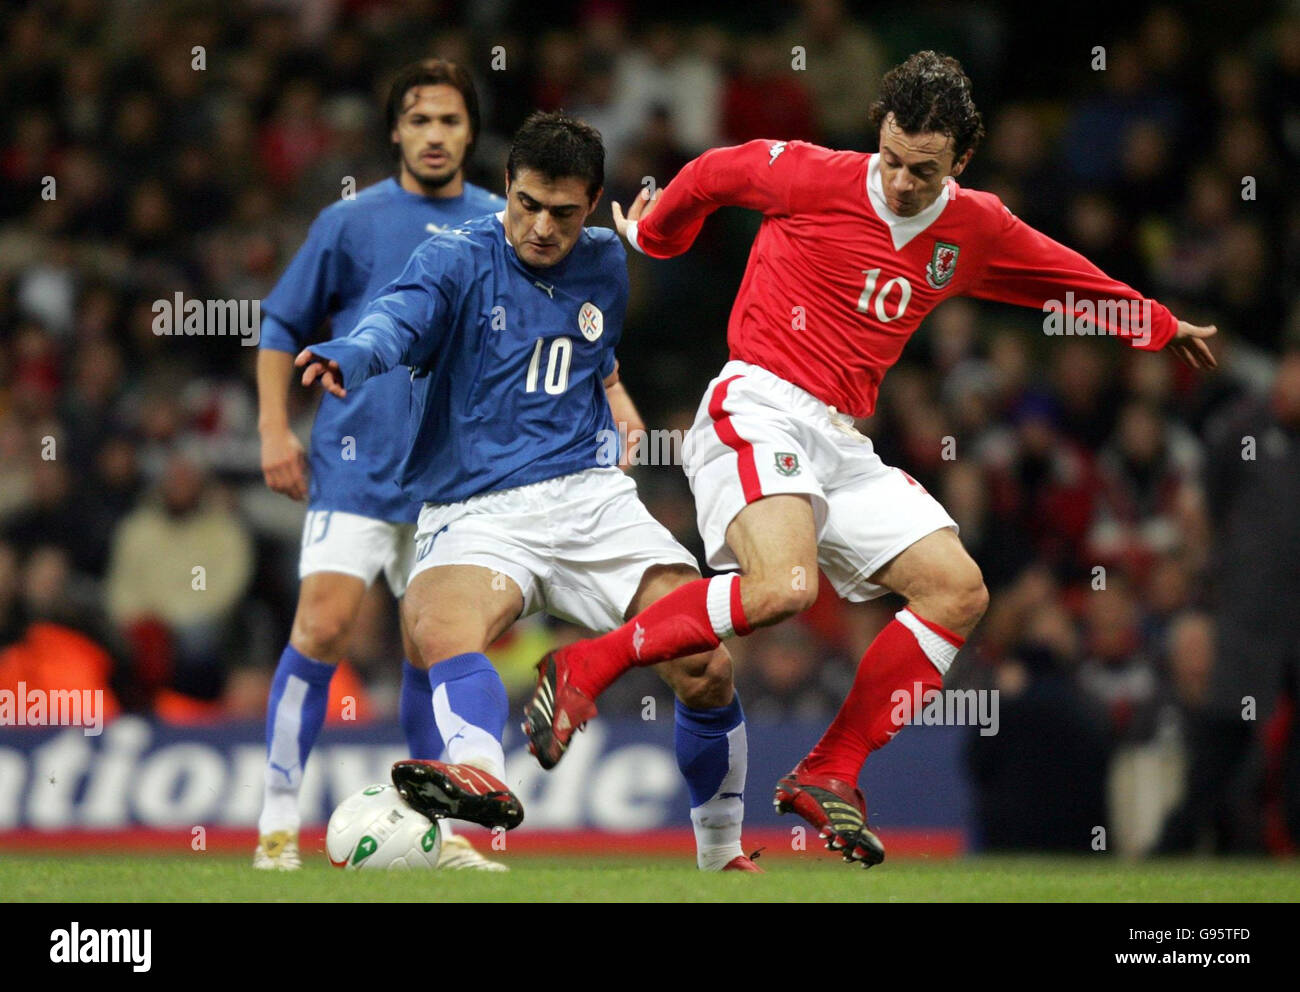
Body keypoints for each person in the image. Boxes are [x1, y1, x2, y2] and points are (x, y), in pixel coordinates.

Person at [522, 50, 1218, 868]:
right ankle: (586, 665)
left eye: (922, 169)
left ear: (960, 161)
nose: (898, 180)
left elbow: (1053, 276)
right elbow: (716, 171)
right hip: (757, 403)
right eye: (890, 157)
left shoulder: (975, 227)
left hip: (843, 443)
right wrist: (661, 234)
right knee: (785, 587)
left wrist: (1155, 324)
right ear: (878, 136)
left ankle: (829, 770)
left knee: (957, 590)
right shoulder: (813, 175)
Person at [296, 112, 759, 873]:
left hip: (587, 497)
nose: (542, 227)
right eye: (527, 205)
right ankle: (479, 770)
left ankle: (721, 851)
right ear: (505, 189)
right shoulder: (455, 259)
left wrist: (614, 390)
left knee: (706, 662)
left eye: (564, 213)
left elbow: (588, 341)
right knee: (441, 624)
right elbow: (398, 320)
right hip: (475, 508)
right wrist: (357, 351)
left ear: (593, 202)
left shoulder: (608, 262)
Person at [254, 59, 506, 871]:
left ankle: (441, 838)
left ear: (471, 133)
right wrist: (273, 431)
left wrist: (607, 390)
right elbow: (281, 324)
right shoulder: (350, 222)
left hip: (450, 480)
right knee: (322, 625)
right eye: (420, 120)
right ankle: (275, 825)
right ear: (396, 131)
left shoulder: (503, 223)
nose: (435, 135)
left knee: (432, 650)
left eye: (451, 121)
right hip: (355, 471)